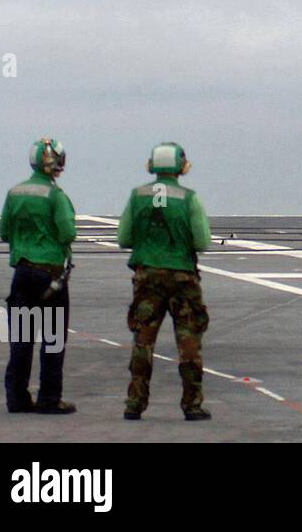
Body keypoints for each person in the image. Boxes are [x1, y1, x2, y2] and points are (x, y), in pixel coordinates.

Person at [117, 142, 212, 421]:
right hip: (182, 276)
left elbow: (124, 238)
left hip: (147, 277)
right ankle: (192, 404)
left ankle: (134, 402)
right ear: (181, 166)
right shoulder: (189, 199)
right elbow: (202, 241)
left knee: (143, 340)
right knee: (189, 340)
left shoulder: (137, 196)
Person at [0, 137, 77, 415]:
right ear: (53, 161)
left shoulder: (14, 192)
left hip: (22, 273)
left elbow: (4, 232)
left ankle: (17, 398)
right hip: (50, 276)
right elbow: (68, 232)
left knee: (21, 338)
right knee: (53, 338)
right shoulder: (55, 196)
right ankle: (49, 398)